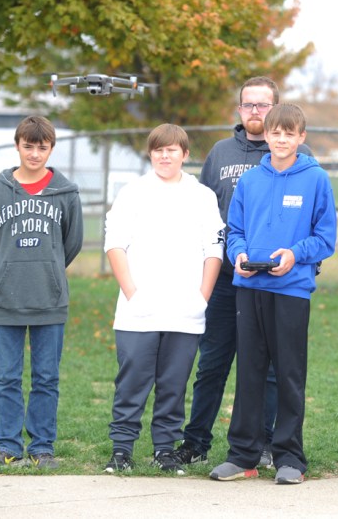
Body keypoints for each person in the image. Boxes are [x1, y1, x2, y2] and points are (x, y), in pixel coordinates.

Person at [173, 77, 313, 469]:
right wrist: (224, 257)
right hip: (226, 276)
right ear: (240, 110)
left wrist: (299, 260)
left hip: (279, 283)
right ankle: (197, 440)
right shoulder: (219, 153)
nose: (255, 111)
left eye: (263, 105)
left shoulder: (303, 163)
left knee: (268, 366)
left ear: (277, 110)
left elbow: (313, 225)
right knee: (213, 363)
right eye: (248, 105)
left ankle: (268, 444)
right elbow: (206, 214)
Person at [209, 103, 336, 485]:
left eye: (289, 133)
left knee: (288, 373)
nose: (281, 139)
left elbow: (325, 238)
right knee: (248, 371)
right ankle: (244, 455)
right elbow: (235, 231)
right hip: (250, 287)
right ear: (266, 134)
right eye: (275, 132)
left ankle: (289, 457)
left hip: (292, 289)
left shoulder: (315, 179)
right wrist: (240, 255)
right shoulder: (250, 180)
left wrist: (295, 255)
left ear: (301, 137)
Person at [102, 124, 224, 475]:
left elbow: (213, 250)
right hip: (138, 312)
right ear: (150, 153)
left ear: (185, 154)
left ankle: (165, 450)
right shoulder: (132, 192)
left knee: (173, 384)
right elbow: (115, 245)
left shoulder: (201, 196)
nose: (165, 155)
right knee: (132, 383)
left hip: (185, 312)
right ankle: (122, 450)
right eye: (158, 150)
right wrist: (132, 294)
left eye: (172, 150)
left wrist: (201, 298)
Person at [0, 115, 84, 469]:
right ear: (17, 146)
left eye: (42, 147)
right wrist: (10, 269)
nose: (35, 153)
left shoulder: (66, 194)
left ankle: (42, 447)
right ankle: (8, 445)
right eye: (28, 146)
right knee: (6, 377)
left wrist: (48, 269)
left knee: (46, 378)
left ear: (51, 148)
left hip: (49, 299)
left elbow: (72, 243)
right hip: (6, 299)